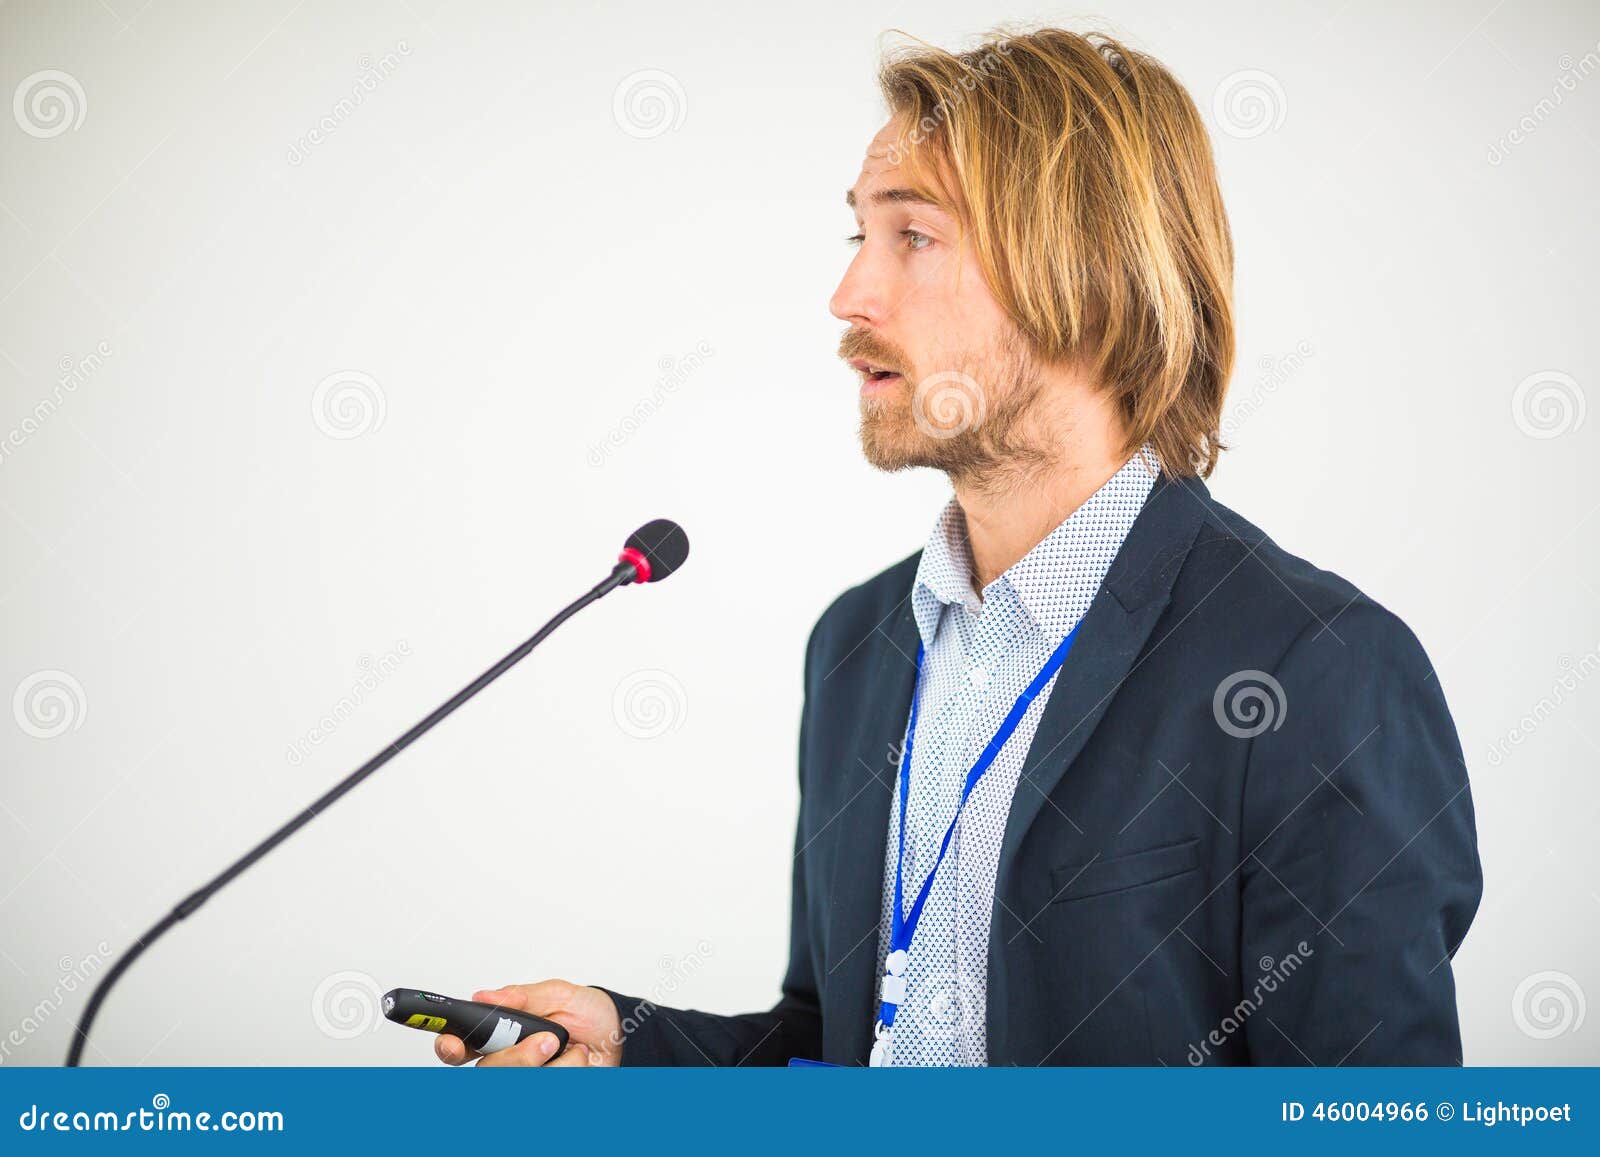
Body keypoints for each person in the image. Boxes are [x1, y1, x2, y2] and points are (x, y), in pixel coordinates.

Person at [436, 26, 1482, 1068]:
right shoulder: (854, 643)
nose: (849, 297)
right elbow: (844, 1045)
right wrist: (631, 1048)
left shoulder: (1323, 668)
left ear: (1085, 269)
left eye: (915, 237)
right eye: (859, 237)